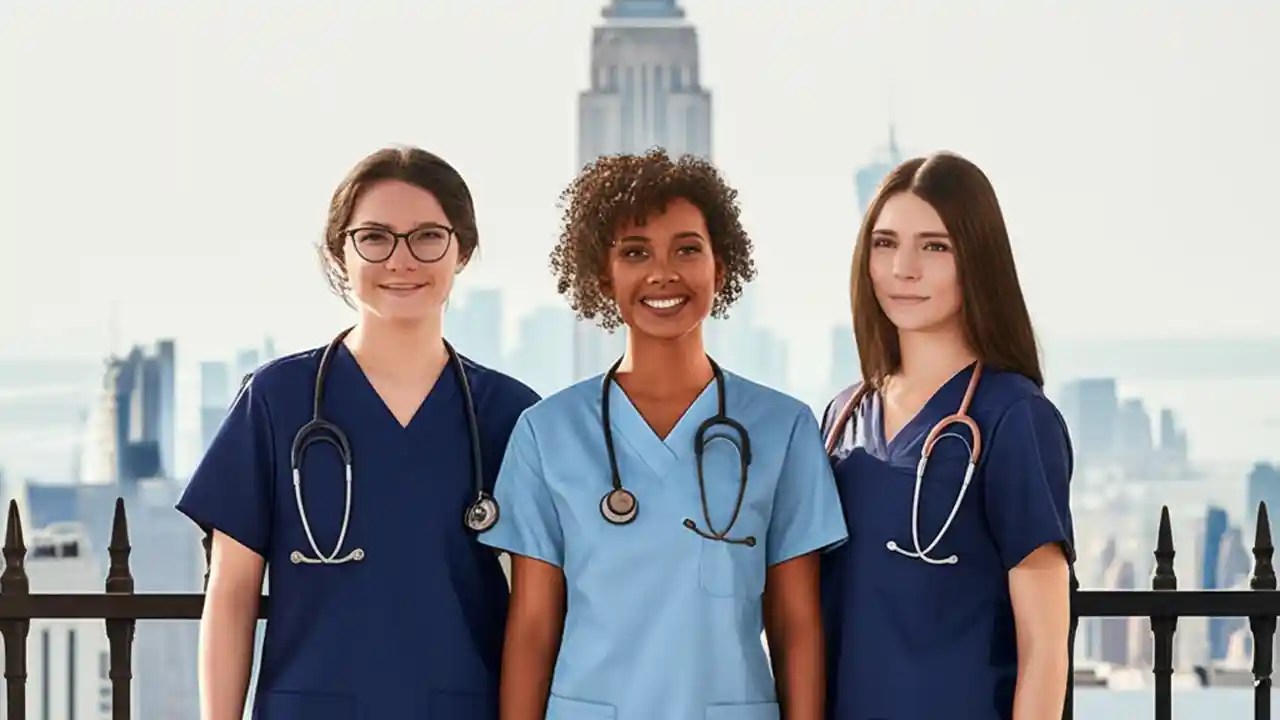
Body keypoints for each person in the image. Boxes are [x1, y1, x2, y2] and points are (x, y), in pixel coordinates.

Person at [476, 148, 848, 720]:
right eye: (635, 252)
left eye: (687, 249)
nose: (662, 272)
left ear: (719, 267)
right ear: (604, 274)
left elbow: (796, 625)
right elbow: (531, 629)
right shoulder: (546, 434)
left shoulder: (784, 429)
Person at [176, 146, 540, 719]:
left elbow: (540, 612)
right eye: (374, 237)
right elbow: (231, 592)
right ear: (340, 252)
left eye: (427, 237)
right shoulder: (277, 400)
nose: (401, 260)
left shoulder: (512, 415)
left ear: (462, 251)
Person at [819, 151, 1075, 719]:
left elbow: (1045, 651)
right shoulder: (842, 416)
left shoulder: (1014, 419)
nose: (903, 268)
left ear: (977, 261)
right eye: (885, 243)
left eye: (934, 246)